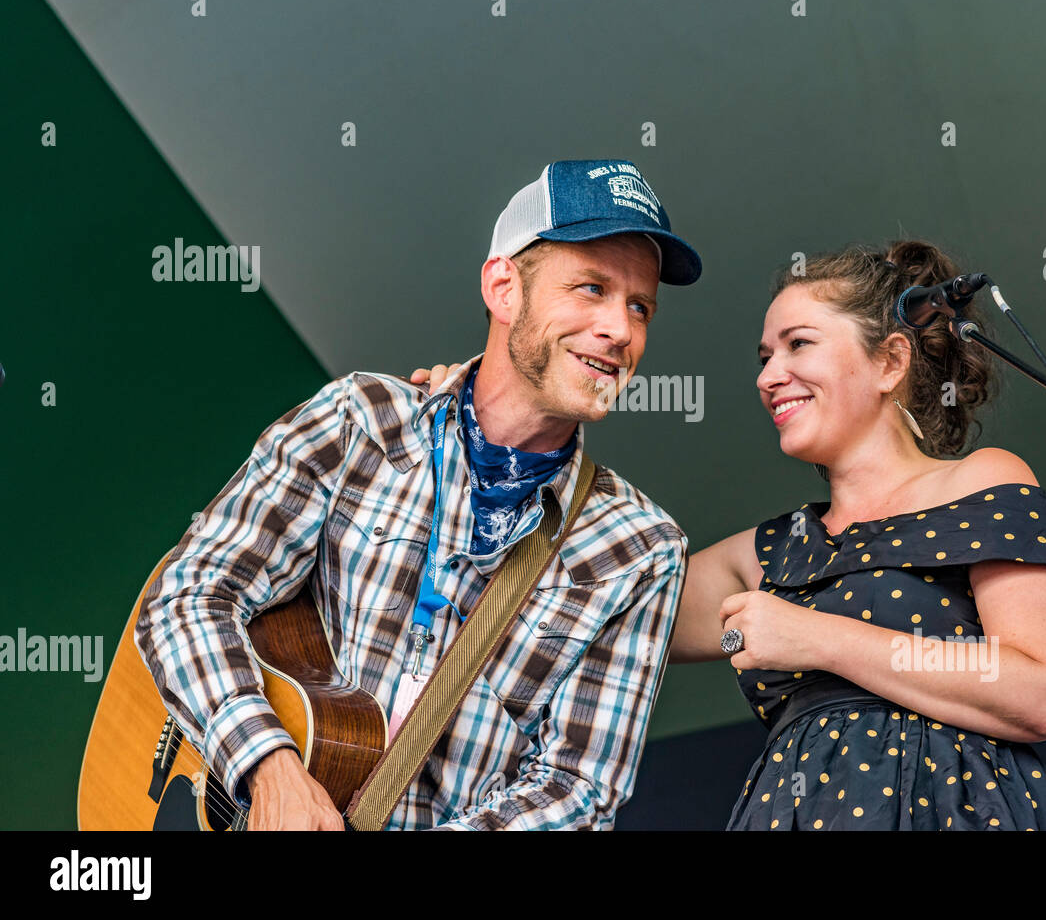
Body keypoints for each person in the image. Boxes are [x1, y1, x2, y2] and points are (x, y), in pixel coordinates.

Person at [418, 239, 1046, 830]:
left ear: (890, 361)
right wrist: (480, 430)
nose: (768, 376)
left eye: (799, 344)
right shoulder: (766, 553)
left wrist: (816, 637)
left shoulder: (979, 482)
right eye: (765, 355)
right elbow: (559, 597)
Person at [135, 158, 703, 830]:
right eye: (591, 288)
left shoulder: (639, 549)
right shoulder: (359, 420)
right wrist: (269, 766)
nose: (621, 330)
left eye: (640, 307)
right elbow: (190, 593)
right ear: (503, 288)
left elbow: (576, 791)